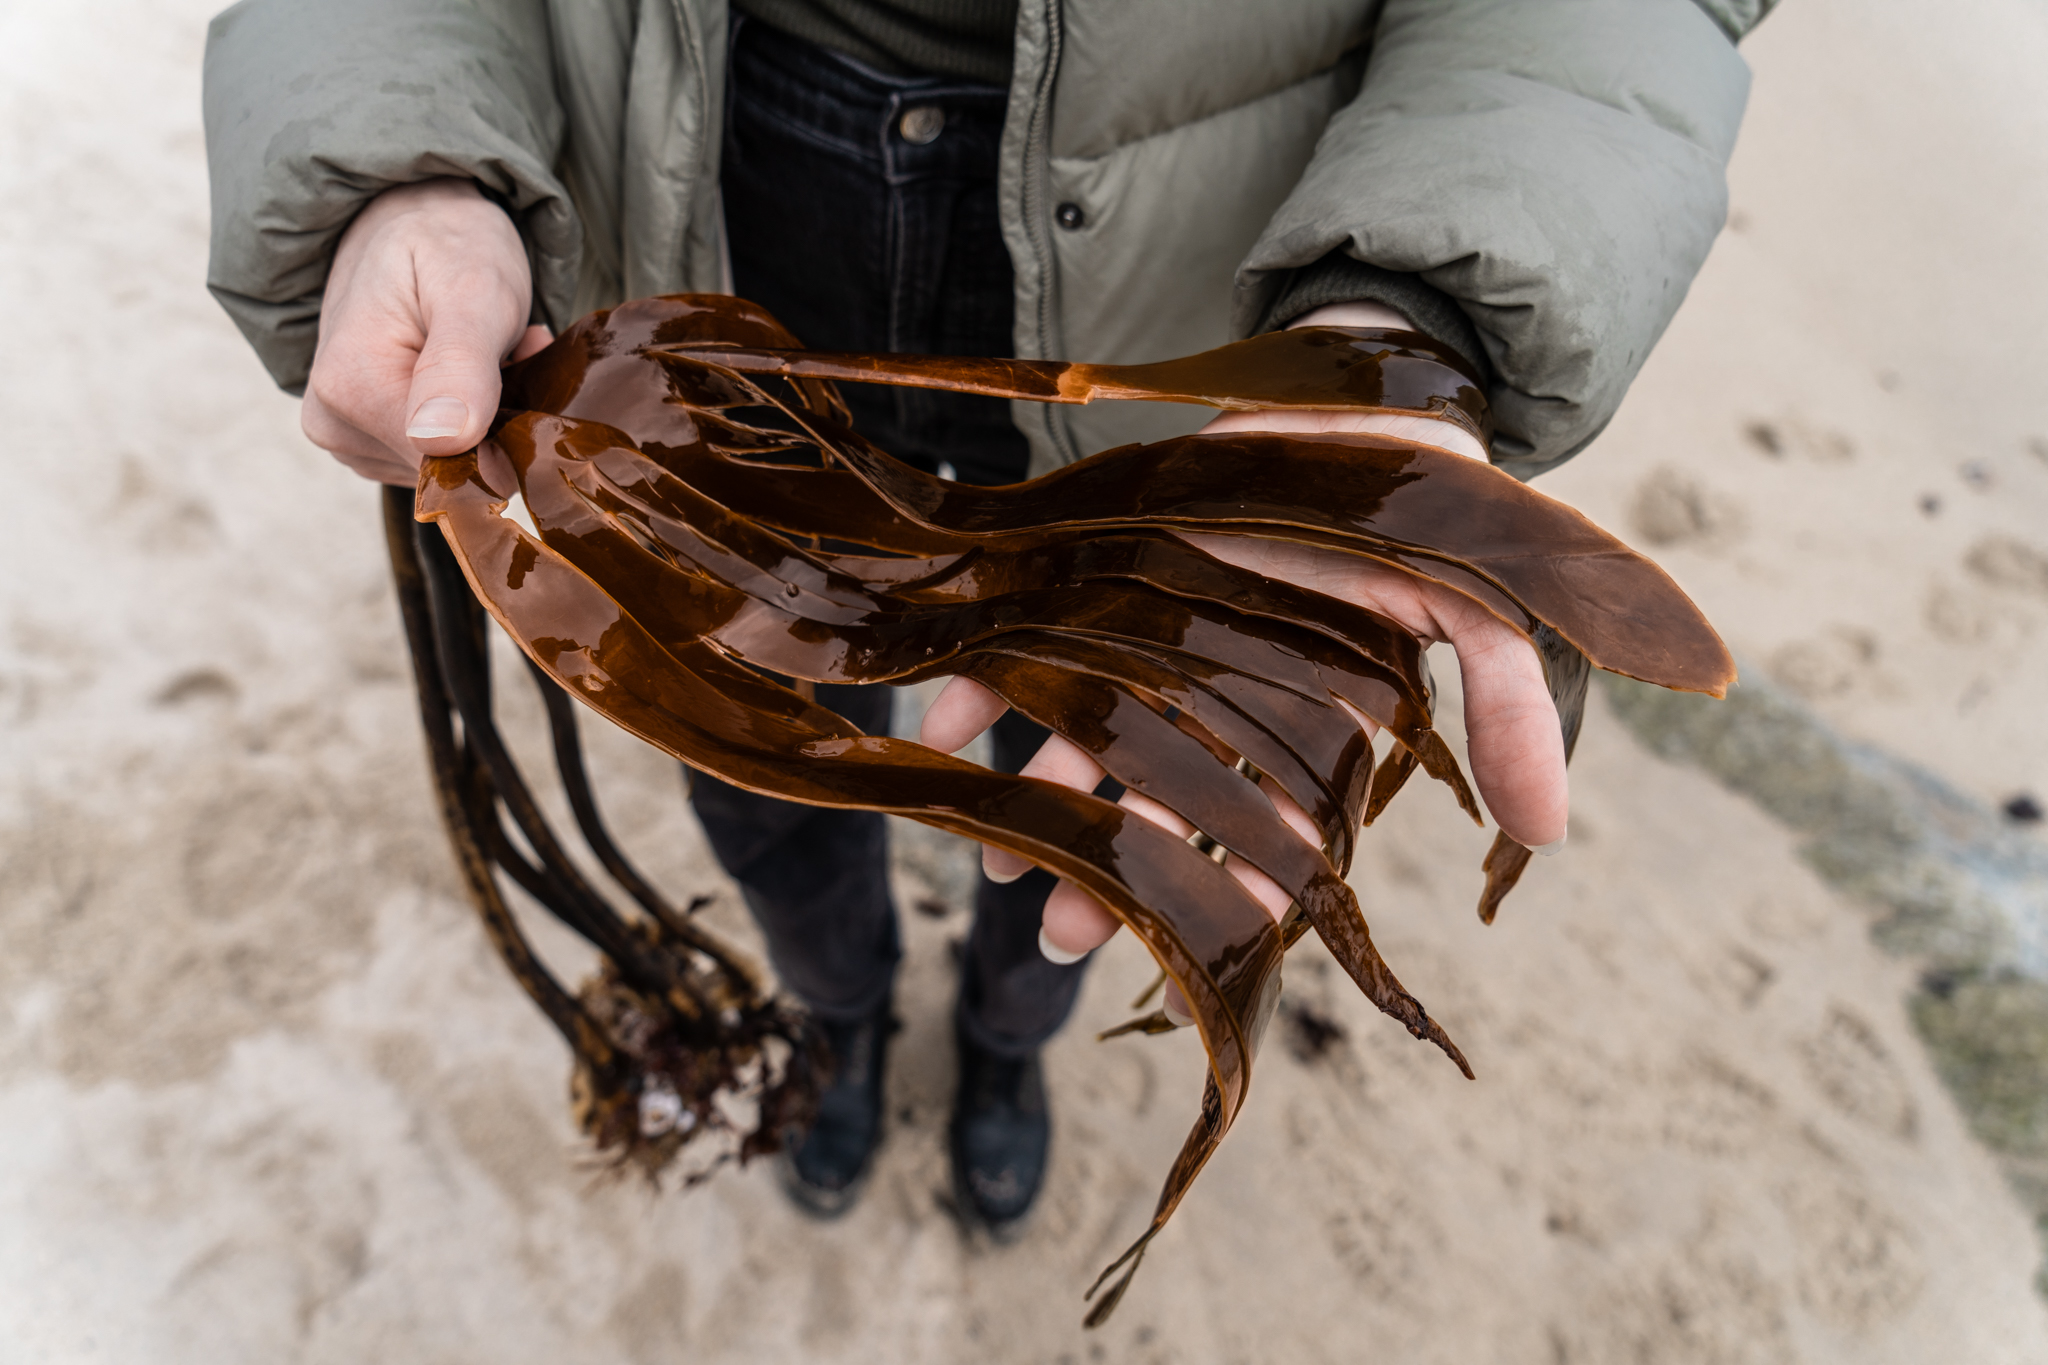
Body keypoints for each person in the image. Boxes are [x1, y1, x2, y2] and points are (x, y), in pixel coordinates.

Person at [203, 0, 1769, 1235]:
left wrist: (1396, 321)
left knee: (1099, 785)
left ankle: (1008, 1041)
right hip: (706, 229)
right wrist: (409, 150)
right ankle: (839, 1014)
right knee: (766, 743)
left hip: (1209, 276)